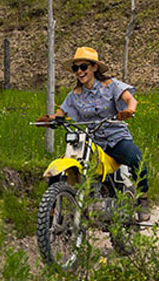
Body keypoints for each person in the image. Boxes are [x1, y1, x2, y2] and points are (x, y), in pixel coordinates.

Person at [36, 47, 150, 220]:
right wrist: (49, 119)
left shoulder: (111, 85)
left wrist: (129, 110)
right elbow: (60, 115)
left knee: (136, 159)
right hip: (90, 142)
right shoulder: (74, 95)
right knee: (59, 169)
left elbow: (130, 99)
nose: (80, 72)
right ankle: (50, 214)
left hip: (115, 138)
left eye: (83, 67)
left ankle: (143, 199)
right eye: (76, 68)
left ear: (94, 67)